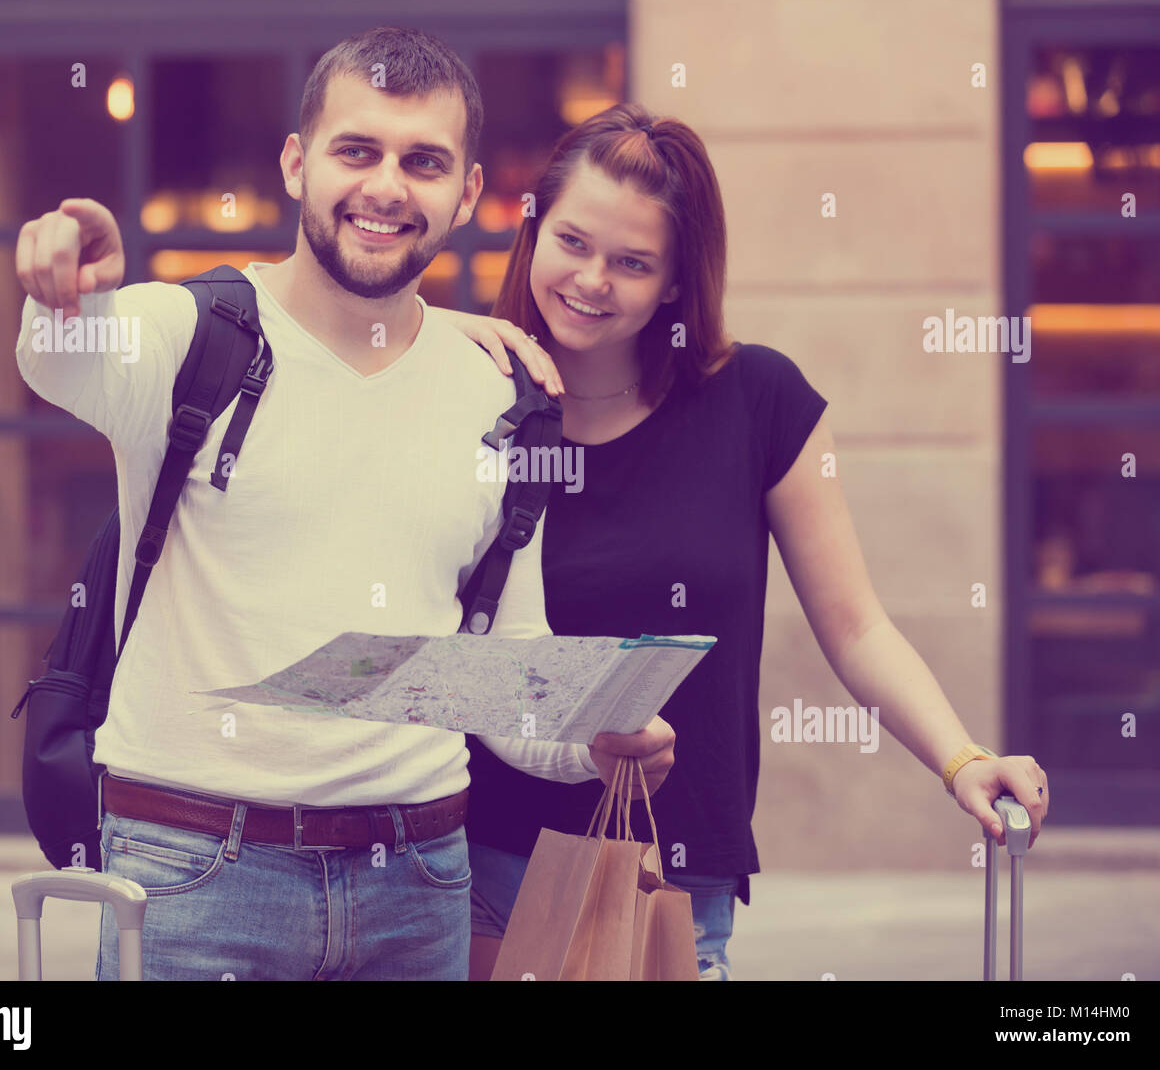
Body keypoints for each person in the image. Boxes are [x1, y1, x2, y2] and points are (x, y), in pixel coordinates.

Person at [12, 27, 674, 982]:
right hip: (196, 876)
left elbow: (498, 670)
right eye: (356, 150)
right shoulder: (189, 334)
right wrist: (62, 286)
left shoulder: (500, 399)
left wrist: (592, 736)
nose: (387, 186)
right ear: (296, 162)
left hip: (419, 888)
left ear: (468, 192)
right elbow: (56, 358)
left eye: (424, 161)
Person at [445, 103, 1051, 981]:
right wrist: (430, 340)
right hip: (483, 867)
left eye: (632, 262)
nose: (591, 279)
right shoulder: (468, 395)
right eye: (572, 242)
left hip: (671, 879)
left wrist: (962, 758)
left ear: (675, 285)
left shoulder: (758, 400)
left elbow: (858, 626)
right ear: (531, 230)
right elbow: (434, 648)